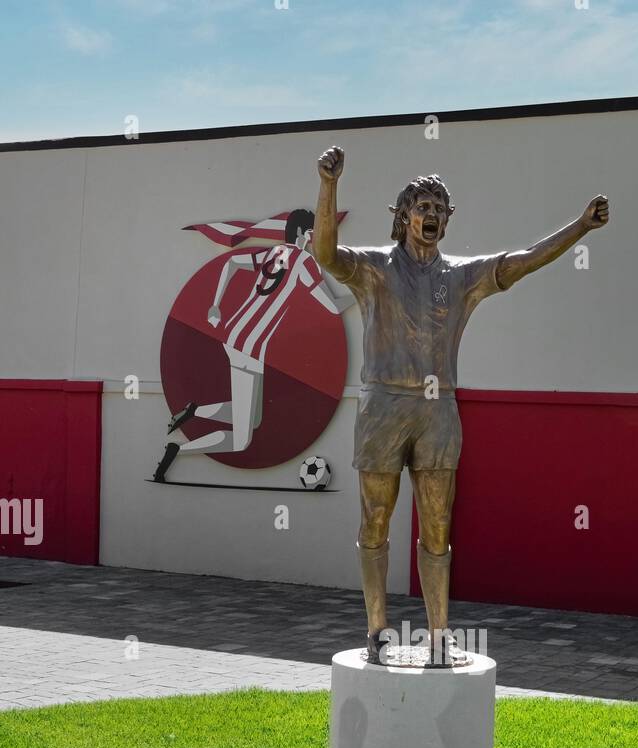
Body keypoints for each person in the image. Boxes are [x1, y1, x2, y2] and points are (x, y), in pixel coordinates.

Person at [312, 144, 610, 665]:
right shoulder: (375, 268)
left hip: (437, 410)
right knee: (375, 519)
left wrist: (579, 227)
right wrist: (329, 185)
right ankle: (378, 629)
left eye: (439, 209)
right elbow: (325, 255)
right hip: (383, 403)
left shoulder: (461, 275)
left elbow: (521, 261)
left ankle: (439, 634)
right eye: (422, 206)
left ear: (447, 221)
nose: (430, 215)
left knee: (438, 525)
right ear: (403, 216)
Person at [154, 211, 351, 481]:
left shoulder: (273, 253)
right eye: (312, 231)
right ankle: (179, 448)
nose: (315, 236)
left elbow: (232, 263)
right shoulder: (303, 262)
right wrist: (364, 295)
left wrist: (216, 304)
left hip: (234, 336)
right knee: (241, 440)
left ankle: (194, 411)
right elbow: (331, 306)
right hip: (250, 347)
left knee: (252, 418)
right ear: (302, 233)